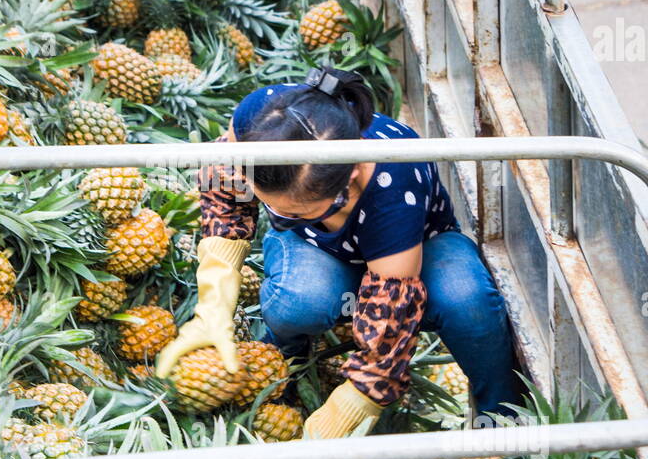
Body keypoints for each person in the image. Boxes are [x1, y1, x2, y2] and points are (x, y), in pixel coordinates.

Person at [156, 64, 521, 438]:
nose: (280, 215)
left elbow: (391, 313)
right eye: (272, 206)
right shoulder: (262, 117)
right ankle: (284, 359)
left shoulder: (392, 184)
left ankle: (503, 420)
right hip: (322, 247)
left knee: (466, 301)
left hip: (419, 247)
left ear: (348, 180)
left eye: (294, 211)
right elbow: (223, 183)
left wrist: (352, 405)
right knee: (297, 304)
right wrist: (213, 306)